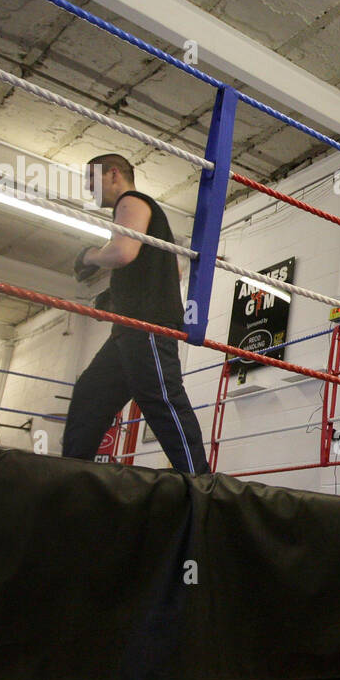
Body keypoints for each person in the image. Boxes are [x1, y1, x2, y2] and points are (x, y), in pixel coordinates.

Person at [61, 153, 210, 475]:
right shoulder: (138, 219)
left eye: (91, 179)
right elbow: (171, 271)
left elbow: (123, 253)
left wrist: (89, 255)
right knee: (90, 393)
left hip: (148, 324)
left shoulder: (131, 201)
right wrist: (114, 297)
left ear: (114, 174)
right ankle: (71, 475)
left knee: (162, 398)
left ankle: (201, 480)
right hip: (129, 328)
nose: (89, 189)